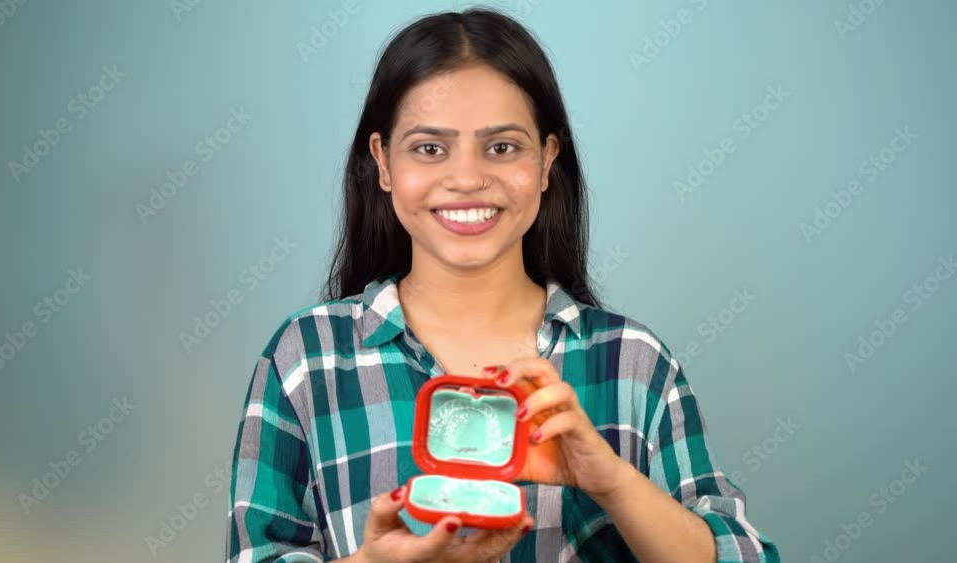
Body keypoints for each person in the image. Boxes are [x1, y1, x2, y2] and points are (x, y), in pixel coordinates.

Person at [226, 8, 779, 563]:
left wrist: (611, 482)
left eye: (502, 147)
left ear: (546, 162)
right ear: (384, 163)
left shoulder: (633, 364)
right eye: (429, 148)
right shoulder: (307, 361)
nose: (467, 179)